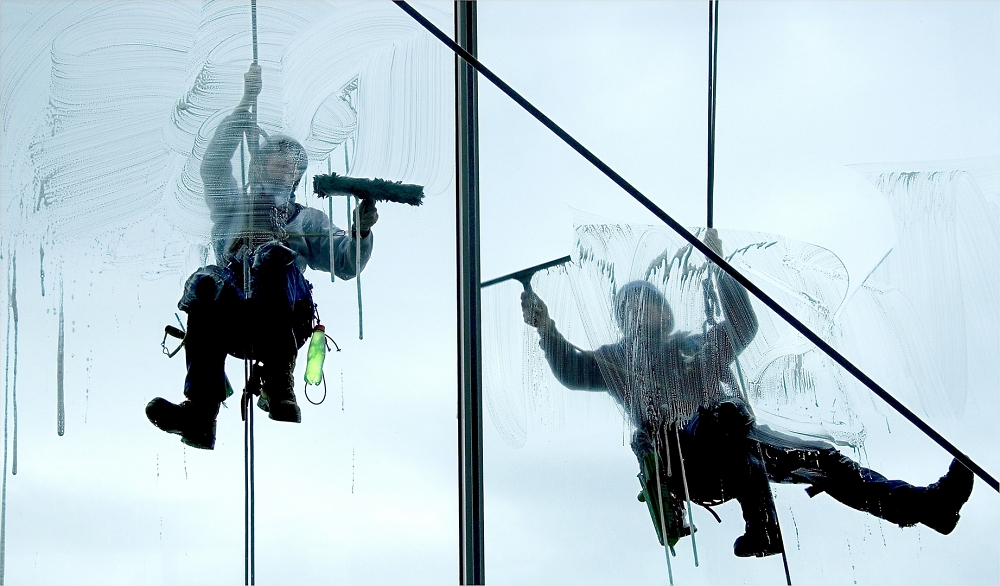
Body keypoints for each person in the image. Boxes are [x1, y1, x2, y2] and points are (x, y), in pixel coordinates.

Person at [520, 229, 974, 557]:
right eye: (635, 307)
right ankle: (762, 525)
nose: (647, 310)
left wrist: (722, 271)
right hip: (686, 460)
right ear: (625, 321)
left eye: (654, 301)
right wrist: (546, 328)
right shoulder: (620, 362)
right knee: (723, 421)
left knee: (825, 462)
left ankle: (926, 508)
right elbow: (574, 371)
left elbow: (742, 325)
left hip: (740, 446)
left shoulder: (693, 346)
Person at [146, 63, 377, 450]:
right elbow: (214, 167)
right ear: (257, 163)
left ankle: (278, 380)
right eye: (278, 159)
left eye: (294, 165)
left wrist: (361, 231)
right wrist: (244, 106)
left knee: (274, 257)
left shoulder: (305, 219)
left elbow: (346, 261)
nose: (287, 167)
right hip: (234, 317)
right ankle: (201, 414)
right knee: (205, 282)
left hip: (285, 320)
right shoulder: (232, 207)